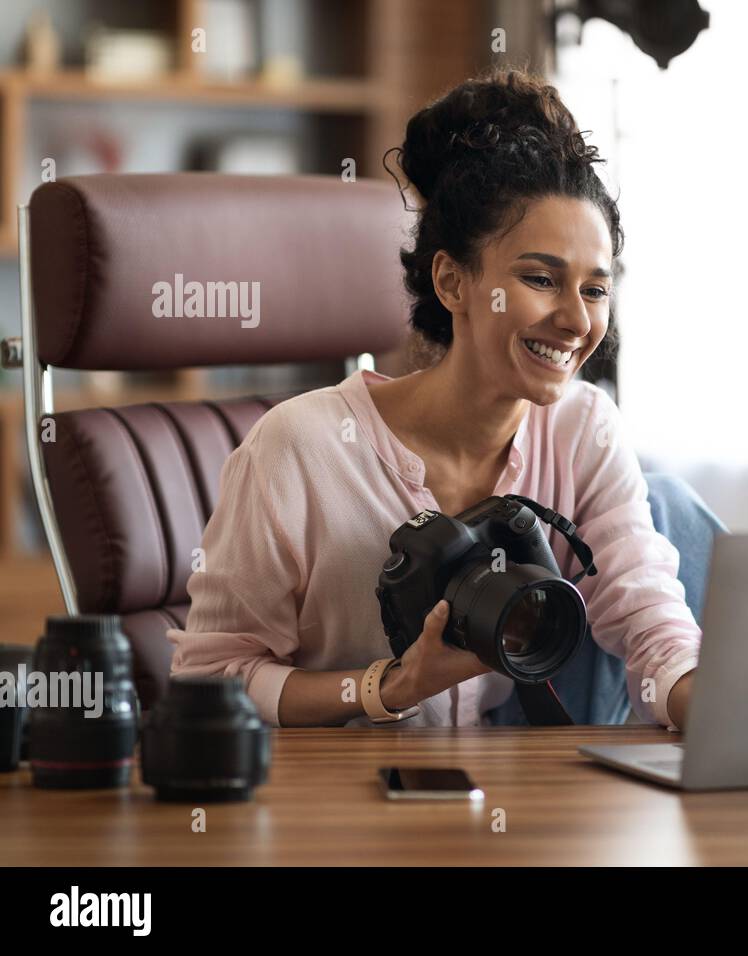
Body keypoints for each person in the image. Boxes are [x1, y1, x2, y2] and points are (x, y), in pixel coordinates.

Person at [167, 69, 705, 730]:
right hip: (332, 802)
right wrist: (389, 687)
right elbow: (208, 680)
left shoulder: (583, 427)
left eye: (594, 290)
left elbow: (650, 620)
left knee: (672, 508)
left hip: (493, 777)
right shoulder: (296, 450)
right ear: (452, 281)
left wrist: (721, 709)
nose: (575, 320)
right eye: (540, 278)